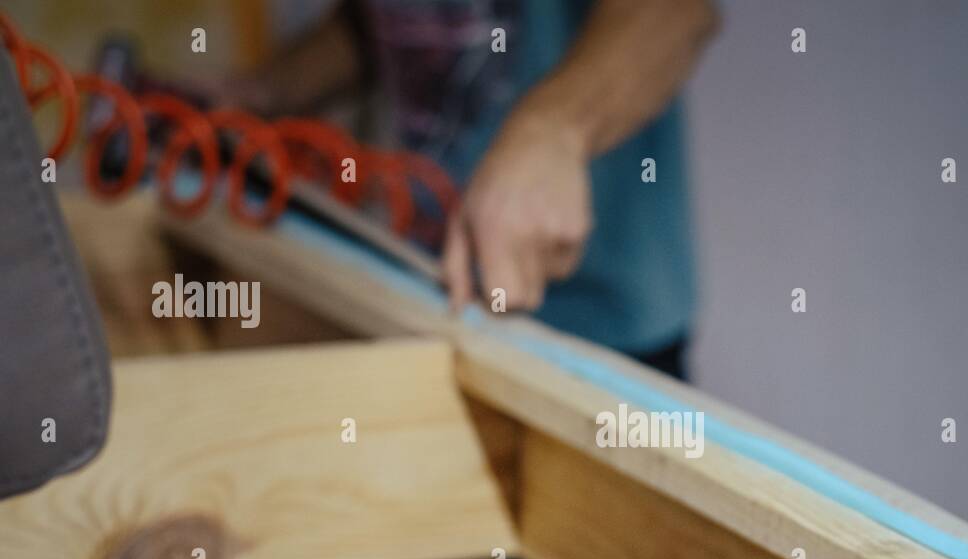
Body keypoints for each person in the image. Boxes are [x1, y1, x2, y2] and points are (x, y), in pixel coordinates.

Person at [228, 0, 720, 380]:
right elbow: (377, 21)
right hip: (428, 298)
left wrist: (548, 131)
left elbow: (676, 11)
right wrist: (261, 92)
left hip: (604, 332)